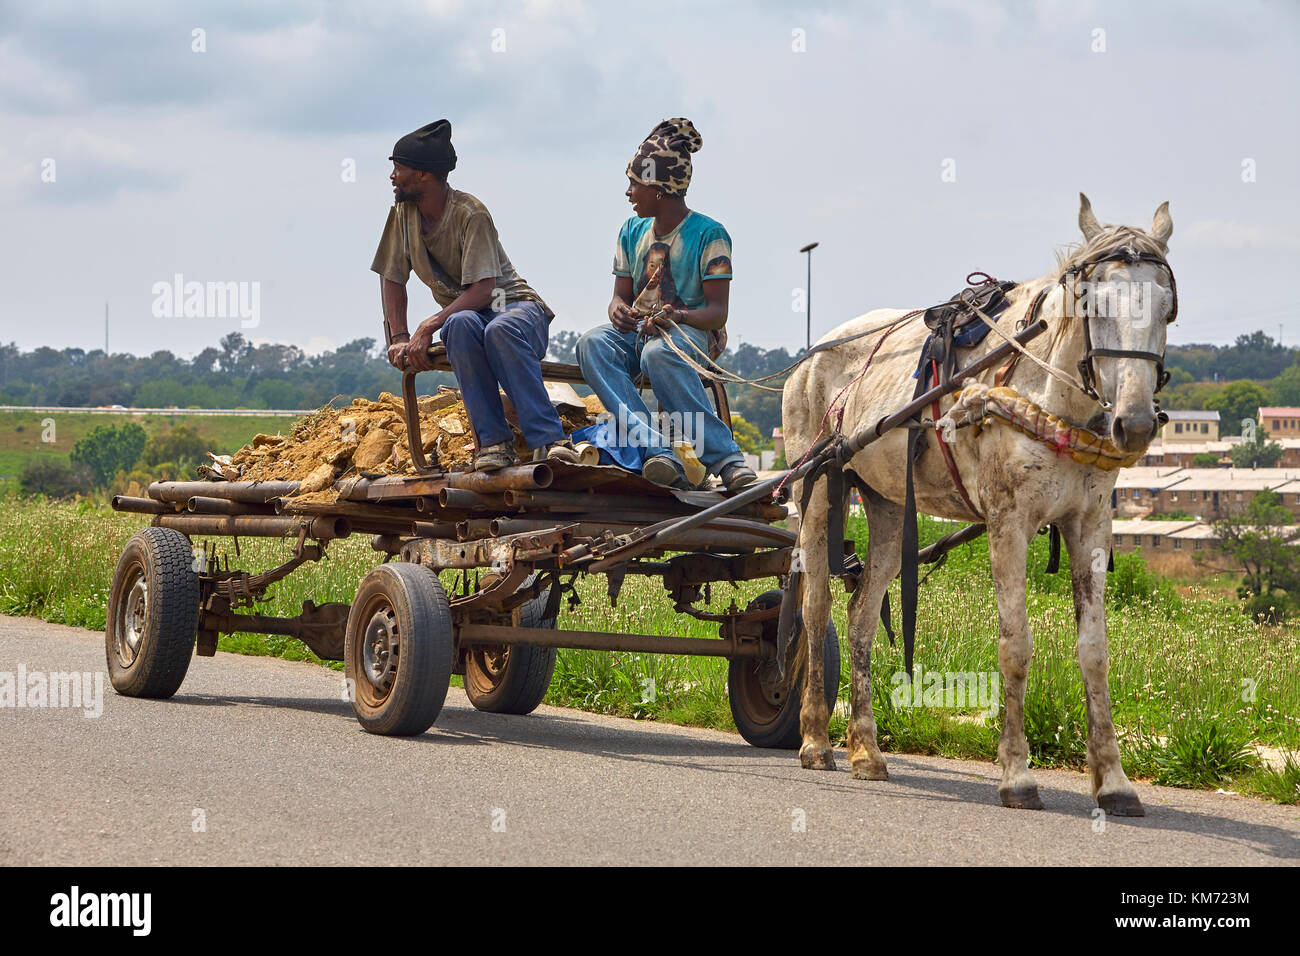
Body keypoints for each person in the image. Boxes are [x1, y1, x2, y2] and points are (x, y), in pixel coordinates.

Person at [371, 119, 579, 471]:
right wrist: (400, 337)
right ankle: (494, 444)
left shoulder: (471, 213)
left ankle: (550, 441)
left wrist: (428, 325)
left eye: (399, 168)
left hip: (514, 309)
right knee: (459, 326)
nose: (392, 176)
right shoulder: (403, 214)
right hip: (471, 314)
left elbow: (484, 290)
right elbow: (392, 276)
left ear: (423, 174)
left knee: (498, 330)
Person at [576, 118, 755, 491]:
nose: (628, 192)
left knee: (657, 354)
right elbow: (619, 297)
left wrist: (678, 316)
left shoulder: (709, 234)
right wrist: (617, 310)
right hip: (639, 333)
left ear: (659, 190)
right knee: (592, 343)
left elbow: (717, 314)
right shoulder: (631, 231)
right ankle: (657, 450)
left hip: (690, 334)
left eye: (635, 184)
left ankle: (727, 460)